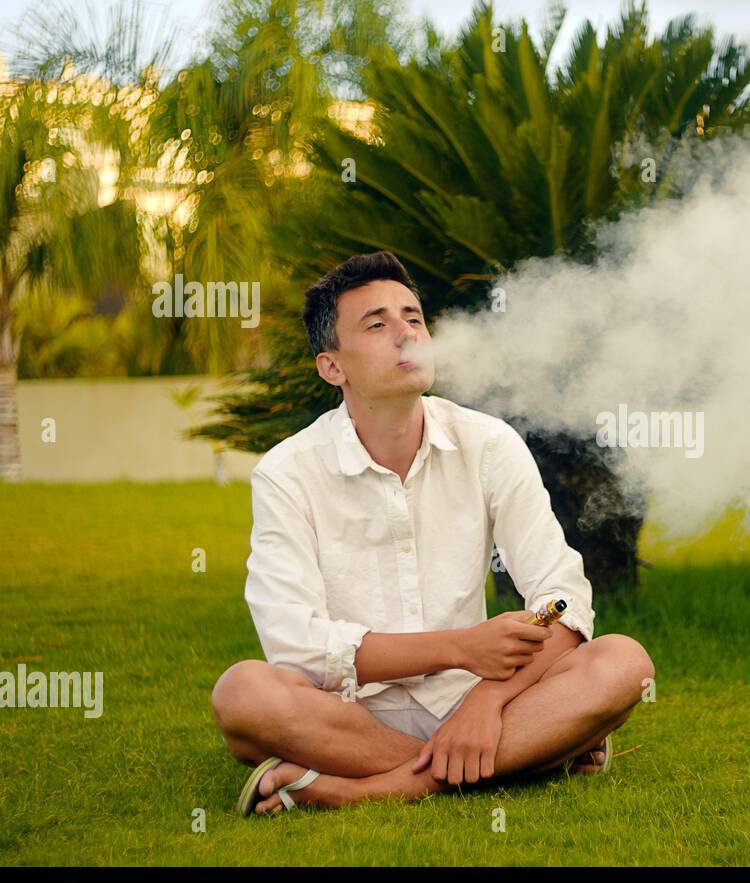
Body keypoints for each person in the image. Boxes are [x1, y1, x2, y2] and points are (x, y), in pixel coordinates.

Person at [209, 251, 654, 815]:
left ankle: (371, 788)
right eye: (377, 324)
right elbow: (295, 646)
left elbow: (563, 597)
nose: (405, 334)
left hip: (476, 696)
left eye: (413, 318)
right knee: (244, 695)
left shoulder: (490, 445)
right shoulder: (287, 471)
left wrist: (487, 700)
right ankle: (539, 750)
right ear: (332, 367)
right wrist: (460, 647)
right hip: (352, 711)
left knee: (622, 663)